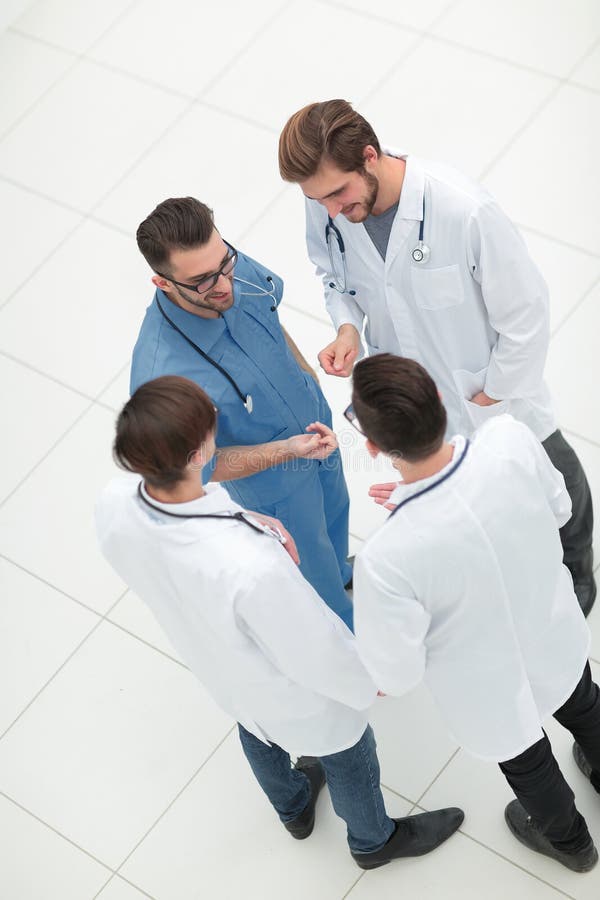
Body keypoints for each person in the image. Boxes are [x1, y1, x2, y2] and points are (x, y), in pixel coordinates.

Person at [95, 375, 463, 868]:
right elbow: (314, 650)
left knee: (253, 726)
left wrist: (244, 520)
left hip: (218, 664)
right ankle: (374, 841)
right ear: (198, 452)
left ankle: (292, 807)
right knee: (350, 748)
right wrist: (367, 679)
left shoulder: (115, 504)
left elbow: (185, 533)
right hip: (292, 689)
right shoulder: (253, 567)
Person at [278, 99, 595, 617]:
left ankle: (578, 569)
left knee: (551, 474)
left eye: (338, 193)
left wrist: (493, 396)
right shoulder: (327, 201)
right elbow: (332, 273)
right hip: (413, 399)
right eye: (319, 200)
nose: (331, 209)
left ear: (370, 156)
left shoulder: (462, 210)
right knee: (453, 496)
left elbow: (526, 316)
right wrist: (346, 327)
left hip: (490, 392)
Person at [347, 353, 600, 873]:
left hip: (485, 687)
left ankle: (572, 844)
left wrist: (416, 510)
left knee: (527, 762)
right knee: (585, 704)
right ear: (440, 398)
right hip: (551, 630)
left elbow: (397, 672)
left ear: (373, 446)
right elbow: (559, 509)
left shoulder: (387, 558)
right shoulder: (509, 441)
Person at [131, 197, 353, 628]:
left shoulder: (223, 267)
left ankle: (343, 578)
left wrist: (308, 377)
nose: (223, 286)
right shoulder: (163, 376)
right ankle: (342, 631)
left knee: (336, 511)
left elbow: (267, 314)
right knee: (309, 562)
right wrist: (287, 450)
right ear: (163, 284)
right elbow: (199, 470)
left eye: (225, 264)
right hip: (273, 479)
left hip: (314, 423)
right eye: (201, 281)